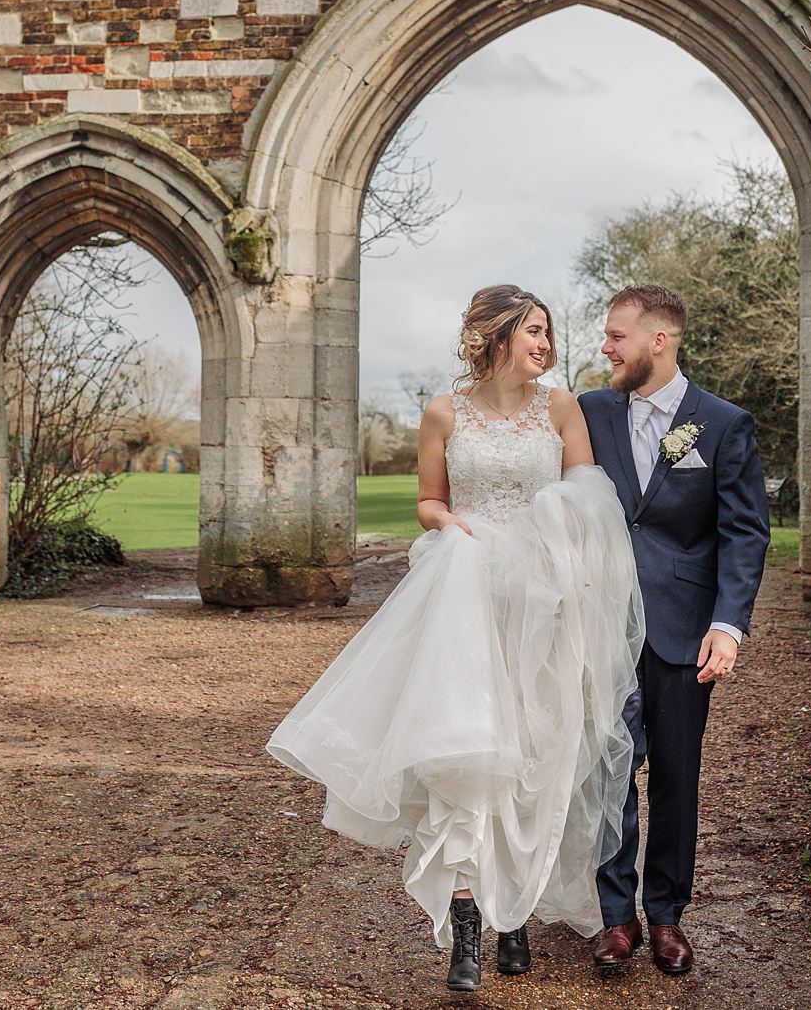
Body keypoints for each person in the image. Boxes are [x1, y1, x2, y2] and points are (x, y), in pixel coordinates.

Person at [267, 285, 644, 993]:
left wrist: (564, 545)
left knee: (532, 754)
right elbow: (429, 501)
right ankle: (467, 924)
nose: (546, 344)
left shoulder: (561, 408)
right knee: (464, 751)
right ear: (496, 336)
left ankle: (516, 912)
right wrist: (448, 524)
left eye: (547, 332)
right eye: (534, 330)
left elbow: (590, 499)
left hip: (541, 601)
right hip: (464, 598)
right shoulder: (444, 411)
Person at [579, 283, 770, 976]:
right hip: (602, 624)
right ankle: (615, 917)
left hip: (684, 628)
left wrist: (728, 625)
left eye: (617, 336)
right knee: (607, 772)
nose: (606, 347)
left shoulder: (722, 423)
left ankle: (665, 914)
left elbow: (745, 533)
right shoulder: (588, 412)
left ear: (658, 340)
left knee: (675, 778)